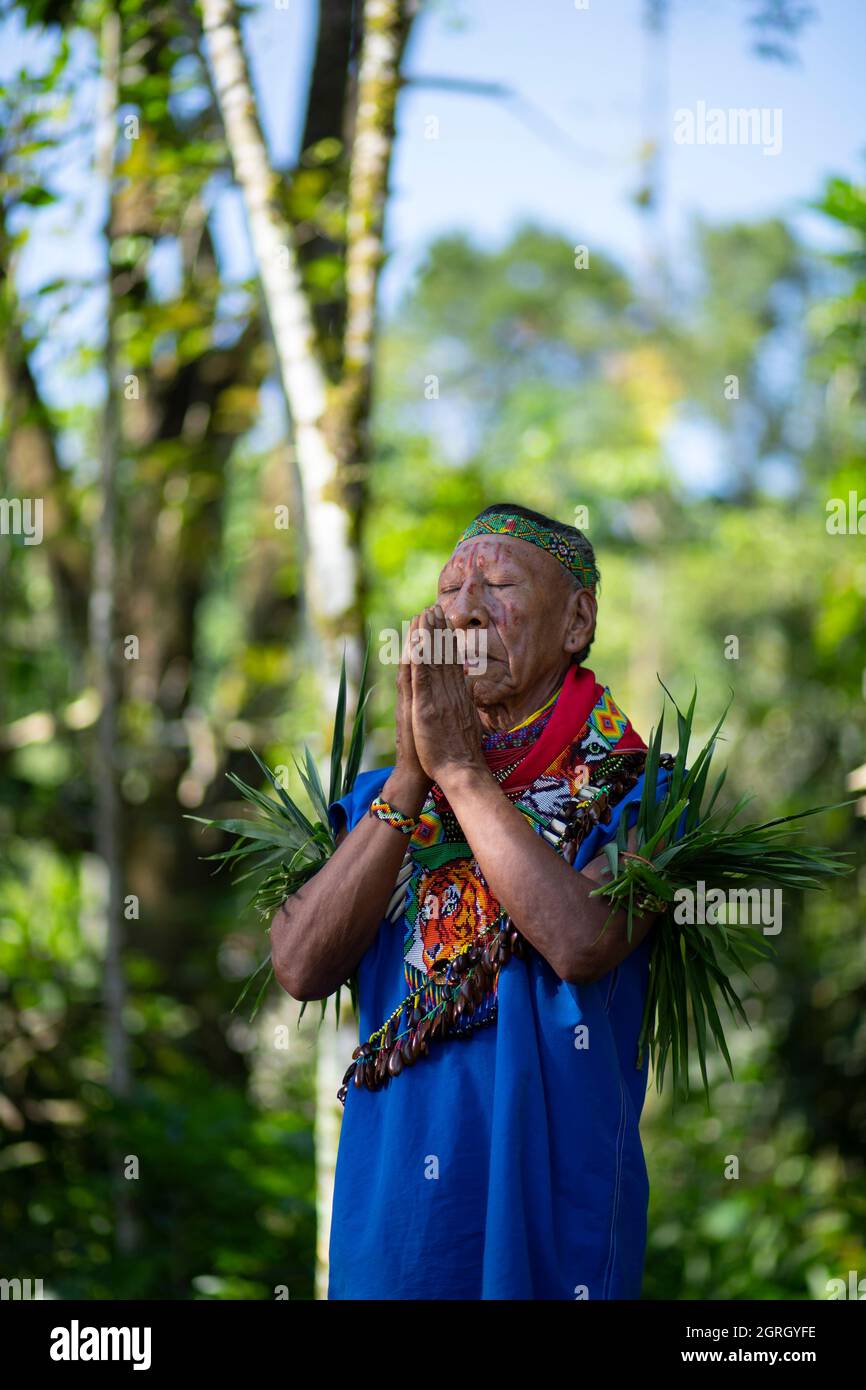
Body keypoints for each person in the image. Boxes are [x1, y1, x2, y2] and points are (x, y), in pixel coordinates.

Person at [270, 503, 670, 1300]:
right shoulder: (377, 801)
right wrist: (413, 778)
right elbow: (300, 965)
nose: (465, 607)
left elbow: (581, 940)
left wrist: (459, 773)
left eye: (499, 582)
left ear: (577, 620)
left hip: (557, 1226)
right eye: (450, 587)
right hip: (399, 1238)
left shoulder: (642, 791)